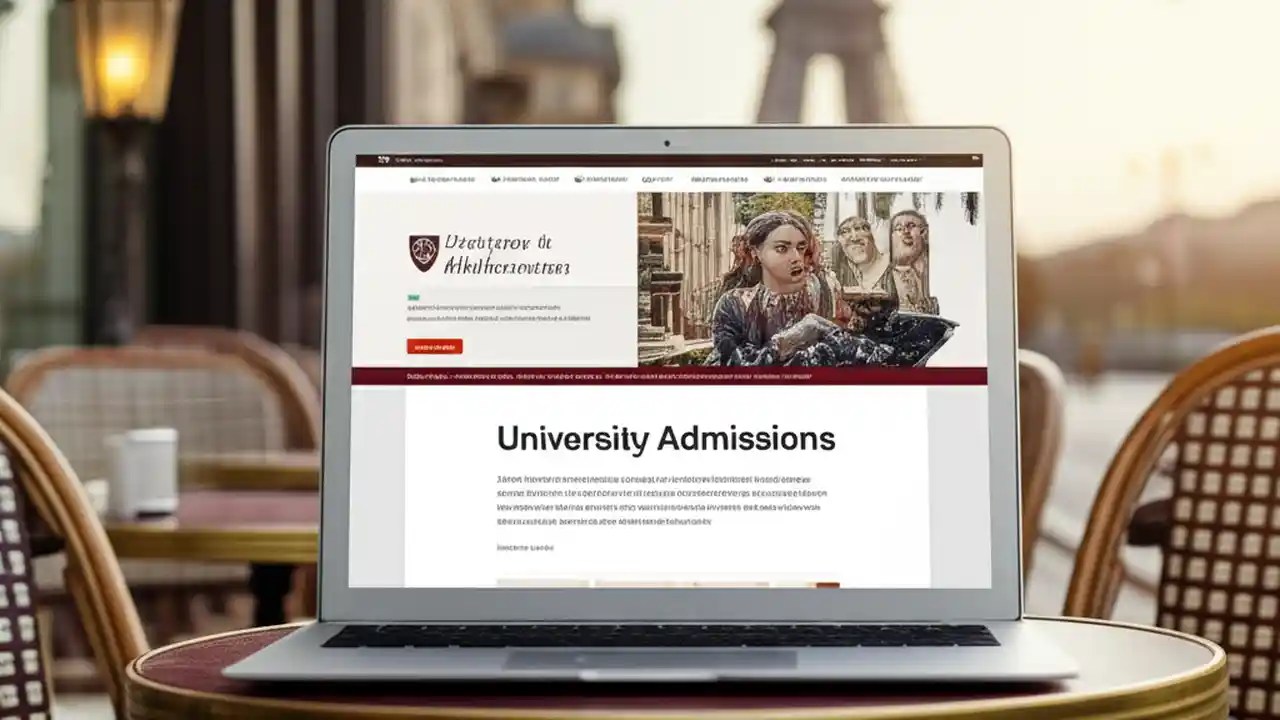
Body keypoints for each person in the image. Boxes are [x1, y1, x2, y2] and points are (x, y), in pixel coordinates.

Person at [704, 209, 955, 367]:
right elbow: (733, 369)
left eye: (801, 248)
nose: (796, 257)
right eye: (782, 248)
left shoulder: (821, 289)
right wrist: (791, 339)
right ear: (756, 252)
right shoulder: (734, 303)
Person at [889, 209, 940, 314]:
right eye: (899, 228)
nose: (905, 231)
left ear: (924, 234)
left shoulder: (922, 278)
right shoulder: (886, 278)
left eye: (911, 226)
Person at [831, 215, 891, 293]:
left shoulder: (891, 267)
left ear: (872, 237)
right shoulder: (840, 273)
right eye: (845, 231)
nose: (854, 238)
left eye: (859, 228)